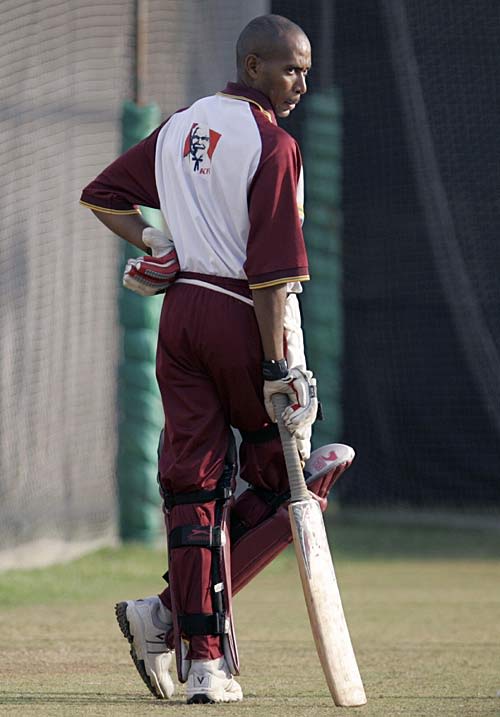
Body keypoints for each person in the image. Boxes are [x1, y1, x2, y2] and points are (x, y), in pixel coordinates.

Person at [80, 14, 354, 705]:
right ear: (254, 65)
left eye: (307, 69)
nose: (302, 82)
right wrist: (275, 367)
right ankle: (177, 620)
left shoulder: (180, 124)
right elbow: (270, 274)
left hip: (180, 315)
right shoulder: (274, 141)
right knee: (287, 483)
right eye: (291, 68)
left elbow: (101, 195)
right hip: (240, 313)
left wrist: (154, 238)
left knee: (194, 487)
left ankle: (195, 651)